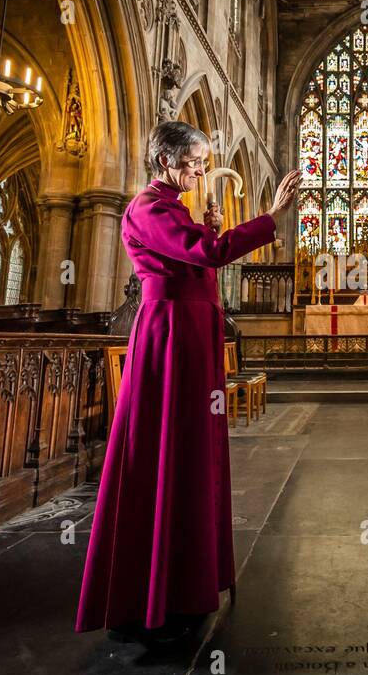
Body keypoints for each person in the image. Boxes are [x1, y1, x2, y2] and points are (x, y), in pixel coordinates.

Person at [75, 121, 301, 643]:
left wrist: (212, 229)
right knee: (162, 451)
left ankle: (184, 581)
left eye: (203, 160)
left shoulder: (174, 205)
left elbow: (199, 253)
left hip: (192, 339)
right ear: (165, 161)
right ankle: (150, 592)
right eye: (194, 161)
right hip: (170, 338)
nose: (201, 169)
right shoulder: (148, 208)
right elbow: (204, 256)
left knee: (191, 455)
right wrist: (269, 218)